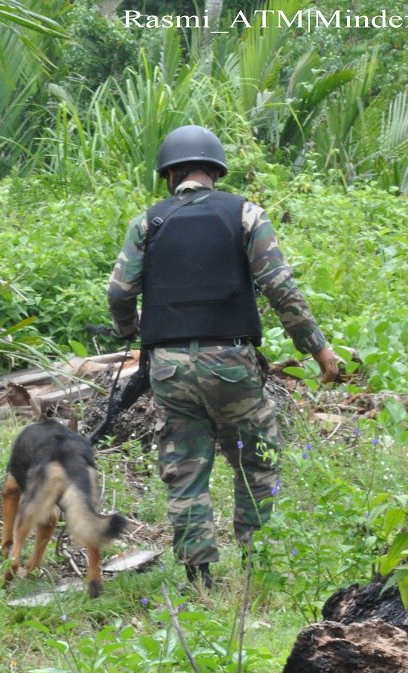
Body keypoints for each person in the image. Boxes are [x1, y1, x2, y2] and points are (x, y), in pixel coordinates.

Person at [107, 125, 341, 590]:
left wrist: (135, 334)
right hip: (231, 363)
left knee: (186, 467)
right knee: (256, 459)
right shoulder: (245, 214)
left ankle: (199, 577)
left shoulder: (148, 222)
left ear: (171, 174)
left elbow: (118, 292)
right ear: (214, 170)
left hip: (169, 367)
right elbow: (280, 286)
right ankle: (258, 563)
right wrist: (317, 346)